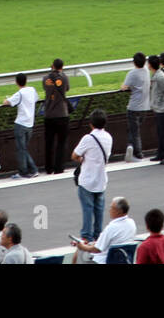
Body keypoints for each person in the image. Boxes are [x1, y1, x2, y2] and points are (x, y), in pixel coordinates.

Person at [72, 109, 113, 241]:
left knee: (87, 210)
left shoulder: (88, 138)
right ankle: (98, 237)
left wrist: (82, 160)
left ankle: (86, 237)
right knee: (99, 210)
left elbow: (74, 155)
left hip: (87, 180)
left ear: (91, 123)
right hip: (101, 180)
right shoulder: (108, 137)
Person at [74, 196, 136, 263]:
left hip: (105, 260)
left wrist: (82, 247)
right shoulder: (131, 223)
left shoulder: (111, 227)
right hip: (124, 259)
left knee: (79, 253)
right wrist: (93, 243)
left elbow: (97, 249)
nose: (109, 210)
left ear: (118, 211)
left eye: (112, 208)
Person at [2, 72, 39, 179]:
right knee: (24, 149)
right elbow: (35, 99)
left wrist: (7, 99)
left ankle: (26, 171)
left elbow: (6, 102)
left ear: (17, 82)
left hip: (21, 124)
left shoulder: (20, 93)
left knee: (21, 149)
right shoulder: (32, 90)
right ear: (26, 81)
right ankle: (31, 169)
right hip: (30, 124)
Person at [120, 52, 151, 162]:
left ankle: (138, 153)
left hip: (134, 107)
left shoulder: (132, 73)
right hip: (145, 106)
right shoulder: (147, 71)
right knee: (133, 130)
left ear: (134, 62)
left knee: (134, 131)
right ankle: (131, 149)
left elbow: (124, 87)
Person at [42, 59, 71, 174]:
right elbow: (67, 88)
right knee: (61, 143)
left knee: (48, 143)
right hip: (62, 114)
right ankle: (59, 168)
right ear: (62, 67)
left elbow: (46, 89)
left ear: (52, 66)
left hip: (48, 114)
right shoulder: (64, 77)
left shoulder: (45, 79)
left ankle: (49, 168)